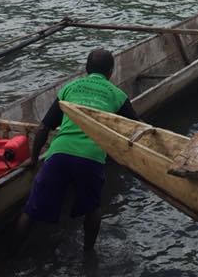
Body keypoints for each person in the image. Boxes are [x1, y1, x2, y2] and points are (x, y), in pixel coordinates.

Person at [14, 49, 137, 253]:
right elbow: (137, 128)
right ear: (111, 73)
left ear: (86, 69)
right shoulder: (118, 94)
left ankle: (13, 254)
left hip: (59, 154)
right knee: (92, 208)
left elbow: (44, 127)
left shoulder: (69, 88)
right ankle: (88, 255)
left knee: (30, 211)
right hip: (91, 156)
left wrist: (33, 159)